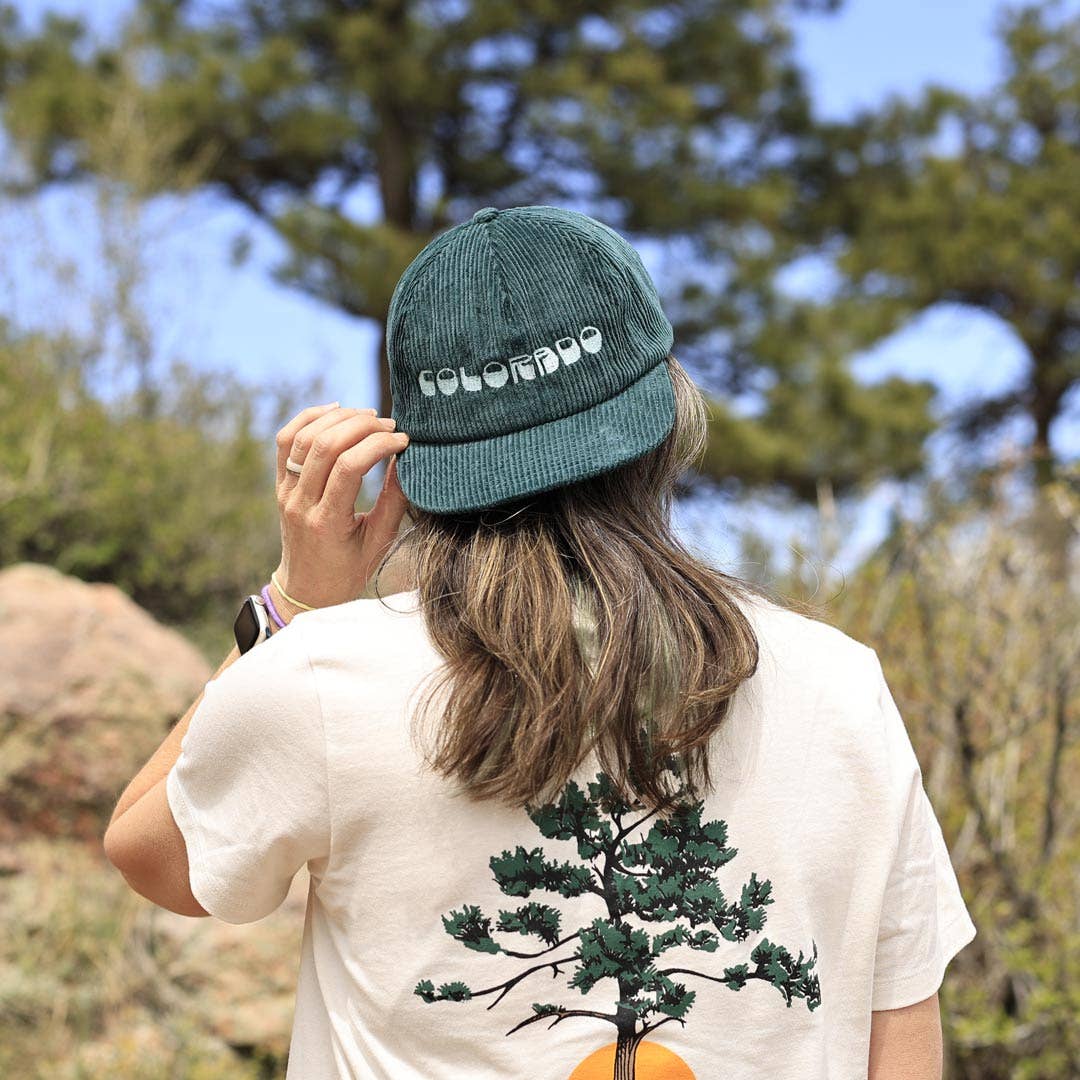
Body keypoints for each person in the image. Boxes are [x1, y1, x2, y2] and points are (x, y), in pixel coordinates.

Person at [104, 205, 977, 1080]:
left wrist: (292, 602)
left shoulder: (322, 678)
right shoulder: (835, 682)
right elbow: (896, 1033)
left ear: (417, 466)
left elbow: (152, 857)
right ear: (670, 414)